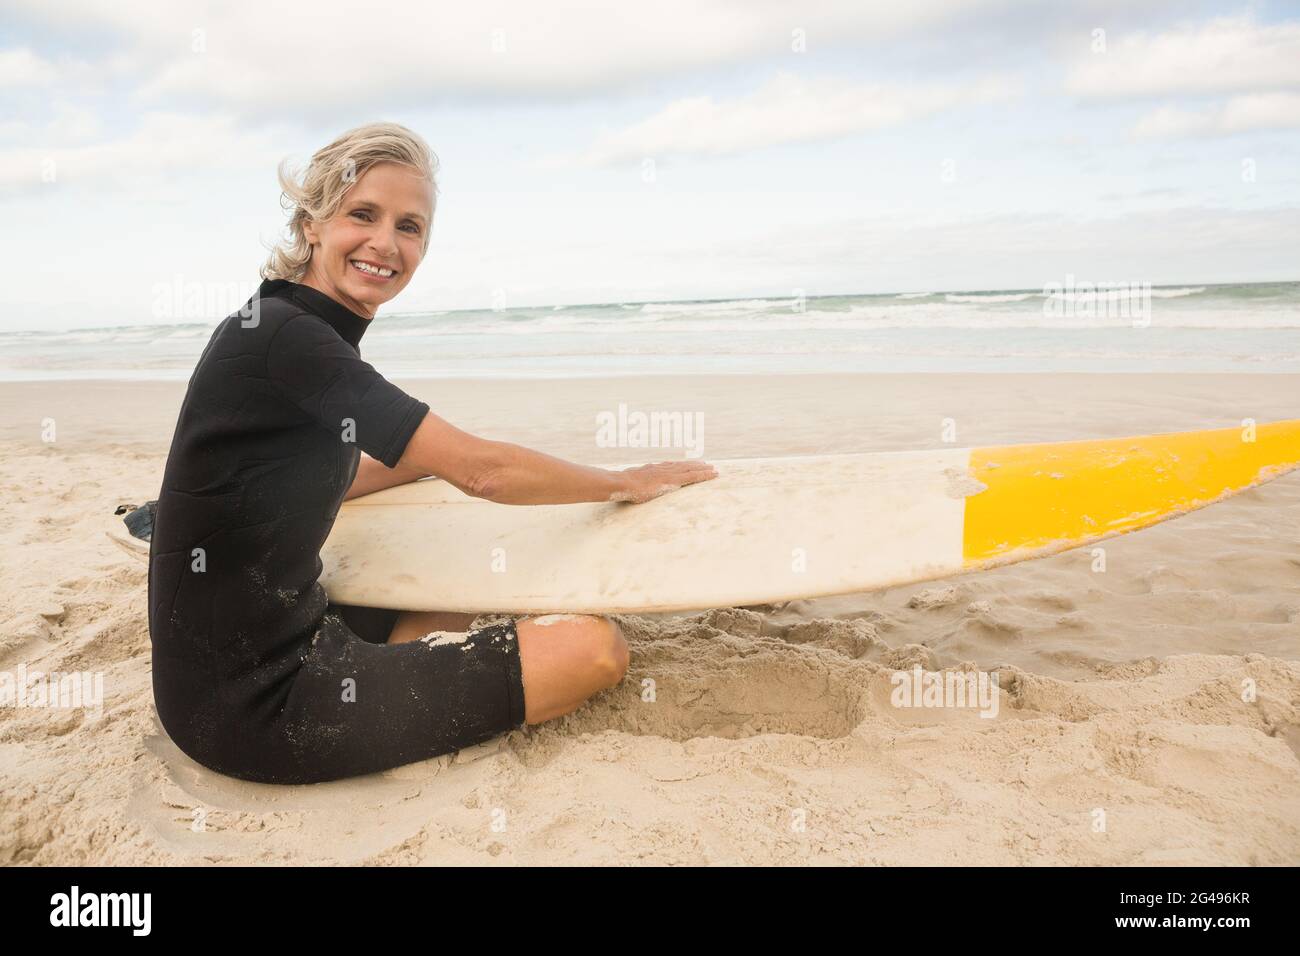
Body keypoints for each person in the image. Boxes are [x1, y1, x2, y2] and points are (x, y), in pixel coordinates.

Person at [148, 122, 717, 784]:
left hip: (251, 661)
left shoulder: (276, 325)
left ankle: (398, 678)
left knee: (460, 581)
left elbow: (303, 481)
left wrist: (420, 460)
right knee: (594, 651)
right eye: (363, 214)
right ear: (311, 224)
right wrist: (623, 480)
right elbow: (484, 472)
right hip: (257, 708)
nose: (386, 243)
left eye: (410, 226)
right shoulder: (292, 340)